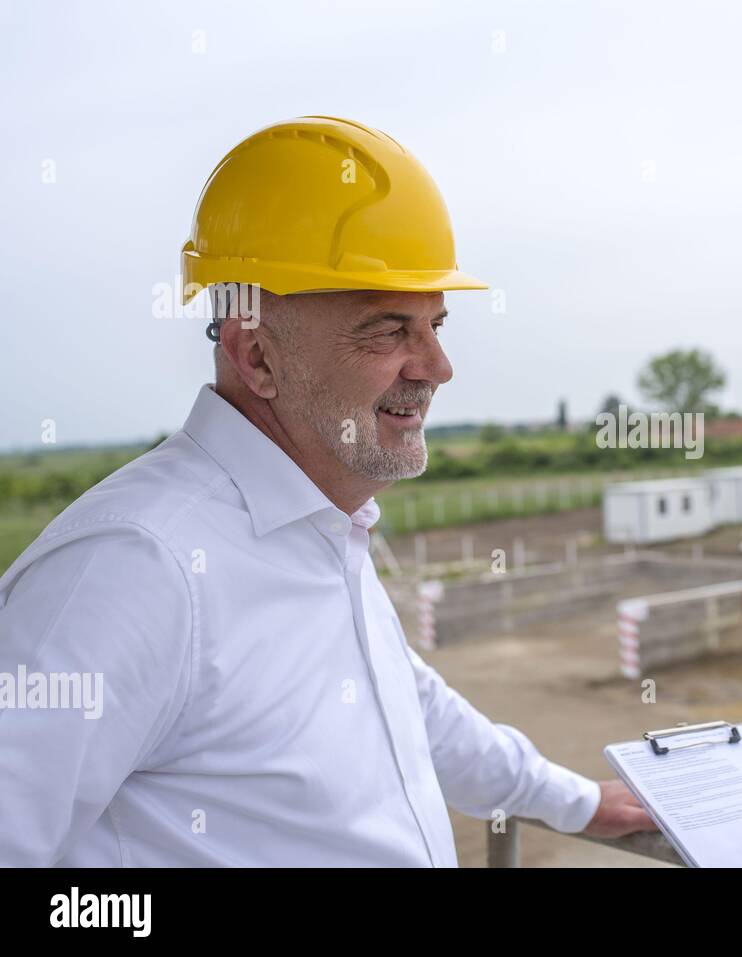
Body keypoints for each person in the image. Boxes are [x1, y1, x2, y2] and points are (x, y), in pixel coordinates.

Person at [0, 116, 653, 866]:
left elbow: (408, 702)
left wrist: (573, 800)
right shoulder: (135, 569)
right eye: (388, 330)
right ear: (257, 355)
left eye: (435, 324)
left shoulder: (320, 524)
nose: (437, 367)